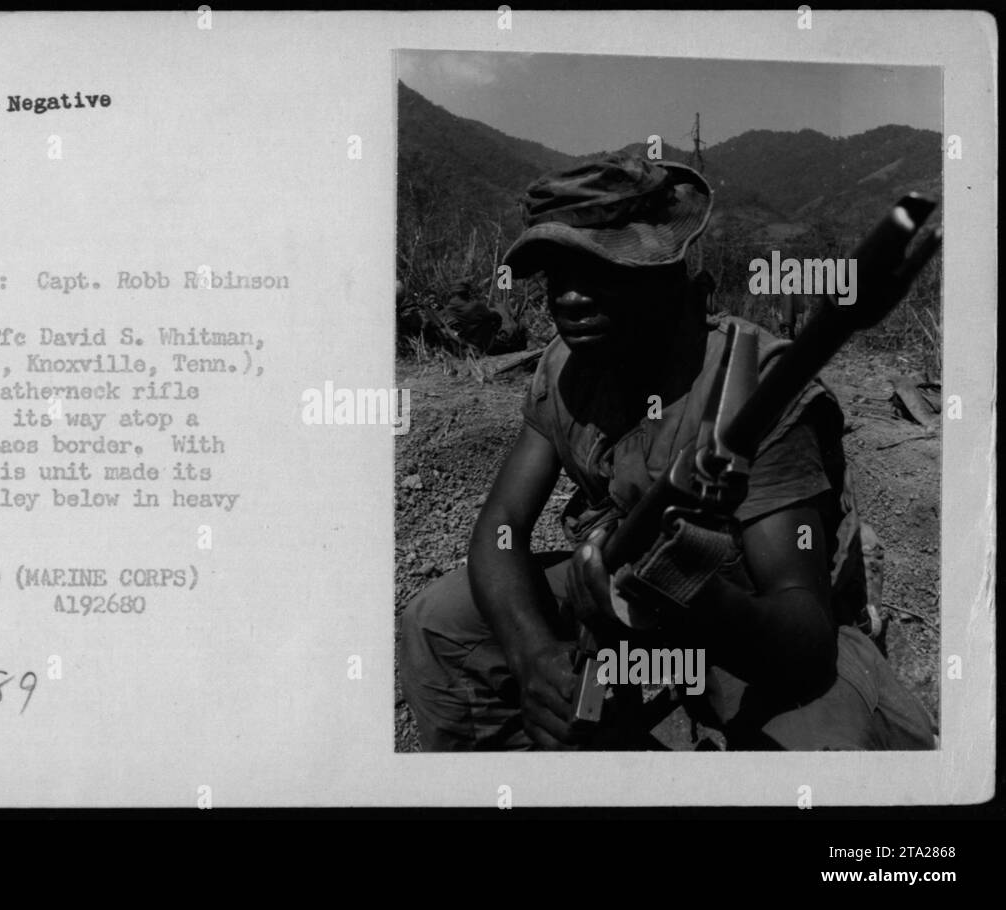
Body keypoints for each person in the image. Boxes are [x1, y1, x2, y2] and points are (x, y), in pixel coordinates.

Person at [399, 153, 936, 751]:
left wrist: (684, 595)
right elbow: (501, 527)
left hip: (743, 617)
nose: (569, 298)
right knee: (440, 622)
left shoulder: (759, 389)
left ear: (664, 274)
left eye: (598, 271)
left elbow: (804, 639)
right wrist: (534, 654)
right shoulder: (566, 367)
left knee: (817, 748)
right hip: (613, 588)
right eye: (556, 276)